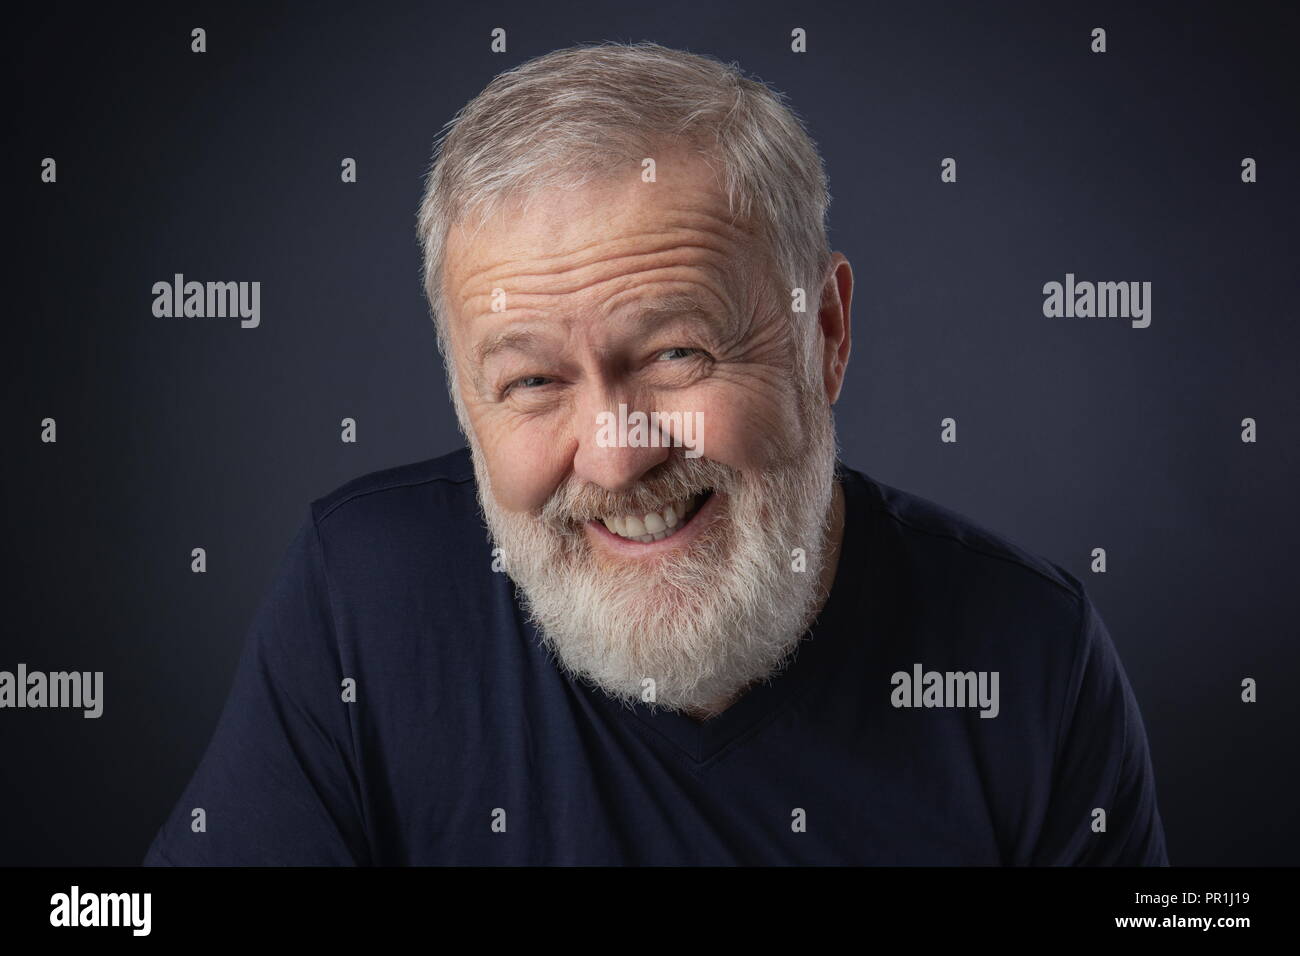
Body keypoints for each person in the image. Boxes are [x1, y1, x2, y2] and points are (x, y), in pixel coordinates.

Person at [144, 41, 1167, 865]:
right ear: (465, 399)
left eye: (677, 353)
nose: (615, 458)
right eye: (532, 381)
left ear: (824, 333)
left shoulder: (1030, 652)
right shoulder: (364, 596)